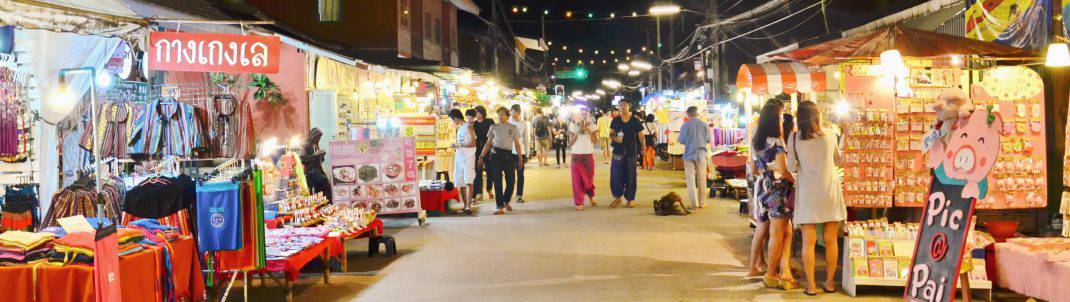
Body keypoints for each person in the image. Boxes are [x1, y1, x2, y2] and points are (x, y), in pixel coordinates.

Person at [786, 101, 847, 295]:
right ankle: (829, 283)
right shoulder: (829, 134)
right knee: (831, 240)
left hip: (808, 194)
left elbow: (792, 167)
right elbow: (838, 161)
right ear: (817, 115)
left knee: (808, 242)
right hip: (829, 190)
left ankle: (811, 286)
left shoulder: (794, 137)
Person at [750, 99, 797, 290]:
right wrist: (796, 181)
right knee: (778, 233)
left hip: (763, 186)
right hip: (778, 189)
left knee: (784, 231)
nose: (781, 120)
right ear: (774, 119)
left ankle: (781, 271)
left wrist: (766, 174)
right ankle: (771, 273)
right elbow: (785, 171)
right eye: (779, 116)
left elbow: (753, 168)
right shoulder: (777, 143)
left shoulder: (756, 141)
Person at [476, 107, 523, 215]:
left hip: (508, 156)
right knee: (497, 182)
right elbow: (488, 143)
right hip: (496, 156)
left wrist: (520, 158)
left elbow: (517, 144)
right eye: (499, 115)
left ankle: (506, 201)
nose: (500, 117)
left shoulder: (513, 127)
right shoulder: (493, 127)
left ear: (507, 115)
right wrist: (481, 157)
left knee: (511, 182)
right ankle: (500, 206)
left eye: (502, 114)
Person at [608, 101, 645, 208]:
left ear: (629, 107)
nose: (623, 107)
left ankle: (629, 199)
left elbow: (640, 135)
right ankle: (617, 198)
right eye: (620, 105)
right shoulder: (615, 120)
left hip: (631, 152)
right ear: (618, 107)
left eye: (625, 105)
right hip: (617, 152)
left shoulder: (635, 120)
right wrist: (616, 139)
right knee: (616, 175)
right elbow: (611, 134)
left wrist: (643, 148)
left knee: (631, 176)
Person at [677, 106, 711, 209]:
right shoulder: (705, 125)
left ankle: (693, 203)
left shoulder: (685, 126)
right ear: (698, 113)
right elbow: (708, 140)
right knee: (702, 178)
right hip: (701, 153)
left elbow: (681, 140)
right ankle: (702, 203)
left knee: (690, 179)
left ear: (688, 114)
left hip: (689, 154)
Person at [568, 106, 599, 211]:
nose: (583, 116)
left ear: (588, 115)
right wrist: (579, 130)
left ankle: (591, 195)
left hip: (588, 155)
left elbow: (595, 141)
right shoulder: (573, 125)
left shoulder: (593, 126)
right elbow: (570, 142)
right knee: (576, 180)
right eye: (581, 114)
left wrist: (588, 130)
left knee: (588, 179)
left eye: (585, 114)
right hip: (576, 155)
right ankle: (579, 202)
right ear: (578, 115)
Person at [450, 109, 478, 215]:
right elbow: (462, 143)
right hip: (460, 157)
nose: (453, 122)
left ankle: (468, 206)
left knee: (468, 181)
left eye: (452, 120)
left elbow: (472, 143)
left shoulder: (468, 127)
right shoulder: (460, 128)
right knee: (460, 181)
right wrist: (456, 146)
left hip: (468, 158)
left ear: (456, 118)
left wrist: (459, 145)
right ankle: (465, 205)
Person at [300, 128, 331, 202]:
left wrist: (321, 156)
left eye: (319, 137)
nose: (318, 139)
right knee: (324, 188)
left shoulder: (316, 145)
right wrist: (315, 155)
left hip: (318, 170)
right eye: (317, 137)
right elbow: (303, 160)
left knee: (325, 189)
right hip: (311, 172)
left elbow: (318, 161)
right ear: (313, 136)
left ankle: (325, 205)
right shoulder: (306, 145)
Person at [472, 106, 495, 202]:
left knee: (490, 171)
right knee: (478, 171)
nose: (476, 115)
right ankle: (479, 192)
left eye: (477, 112)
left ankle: (489, 189)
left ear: (482, 113)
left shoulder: (490, 122)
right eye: (475, 113)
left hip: (489, 149)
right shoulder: (474, 124)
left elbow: (494, 135)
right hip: (477, 150)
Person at [509, 104, 529, 203]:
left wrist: (527, 153)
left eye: (517, 112)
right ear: (510, 111)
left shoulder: (523, 123)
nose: (515, 114)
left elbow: (526, 139)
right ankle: (509, 194)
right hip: (508, 152)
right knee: (510, 175)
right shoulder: (507, 122)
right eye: (514, 111)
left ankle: (519, 195)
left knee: (520, 174)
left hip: (520, 152)